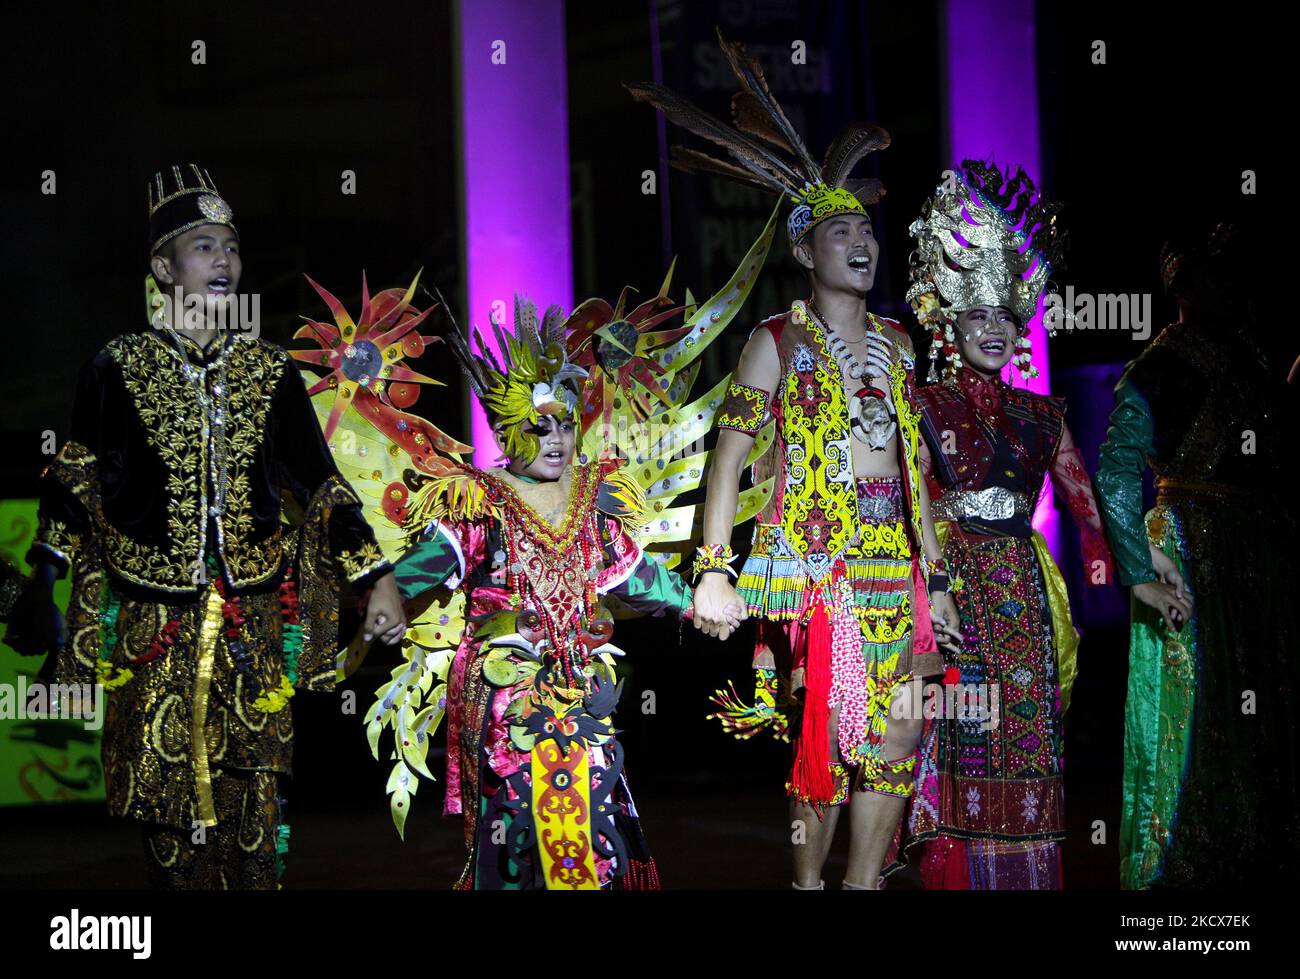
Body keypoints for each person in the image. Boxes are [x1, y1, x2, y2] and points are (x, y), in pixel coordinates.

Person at [4, 164, 403, 888]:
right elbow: (77, 477)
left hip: (251, 625)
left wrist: (375, 577)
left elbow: (319, 486)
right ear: (162, 266)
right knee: (166, 823)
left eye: (232, 245)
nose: (225, 260)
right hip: (154, 630)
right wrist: (45, 572)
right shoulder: (115, 369)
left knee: (257, 823)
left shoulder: (270, 373)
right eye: (204, 246)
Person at [630, 32, 961, 891]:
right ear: (805, 251)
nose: (863, 241)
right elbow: (728, 460)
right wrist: (711, 568)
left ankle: (860, 885)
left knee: (897, 736)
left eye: (867, 229)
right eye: (841, 230)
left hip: (898, 564)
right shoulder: (775, 342)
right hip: (816, 569)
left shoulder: (897, 342)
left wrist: (943, 576)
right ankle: (808, 884)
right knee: (831, 731)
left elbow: (919, 471)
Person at [379, 296, 700, 889]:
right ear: (507, 431)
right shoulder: (479, 501)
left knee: (593, 818)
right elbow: (428, 564)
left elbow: (636, 575)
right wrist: (387, 594)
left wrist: (697, 598)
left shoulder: (591, 499)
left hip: (583, 691)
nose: (557, 439)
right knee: (521, 827)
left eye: (566, 425)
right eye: (539, 427)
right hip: (507, 692)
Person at [895, 161, 1114, 888]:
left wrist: (1119, 574)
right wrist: (929, 588)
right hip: (953, 589)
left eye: (1004, 317)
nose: (994, 328)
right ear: (950, 323)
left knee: (1028, 742)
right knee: (960, 736)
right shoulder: (920, 403)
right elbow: (906, 503)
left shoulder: (1041, 415)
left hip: (1025, 591)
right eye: (978, 315)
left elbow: (1086, 510)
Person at [1095, 221, 1299, 888]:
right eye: (1212, 272)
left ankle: (1259, 843)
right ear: (1182, 281)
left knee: (1265, 699)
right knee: (1196, 710)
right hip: (1187, 552)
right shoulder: (1157, 368)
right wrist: (1136, 566)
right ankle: (1188, 861)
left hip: (1259, 551)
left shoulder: (1254, 359)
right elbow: (1118, 470)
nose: (1227, 286)